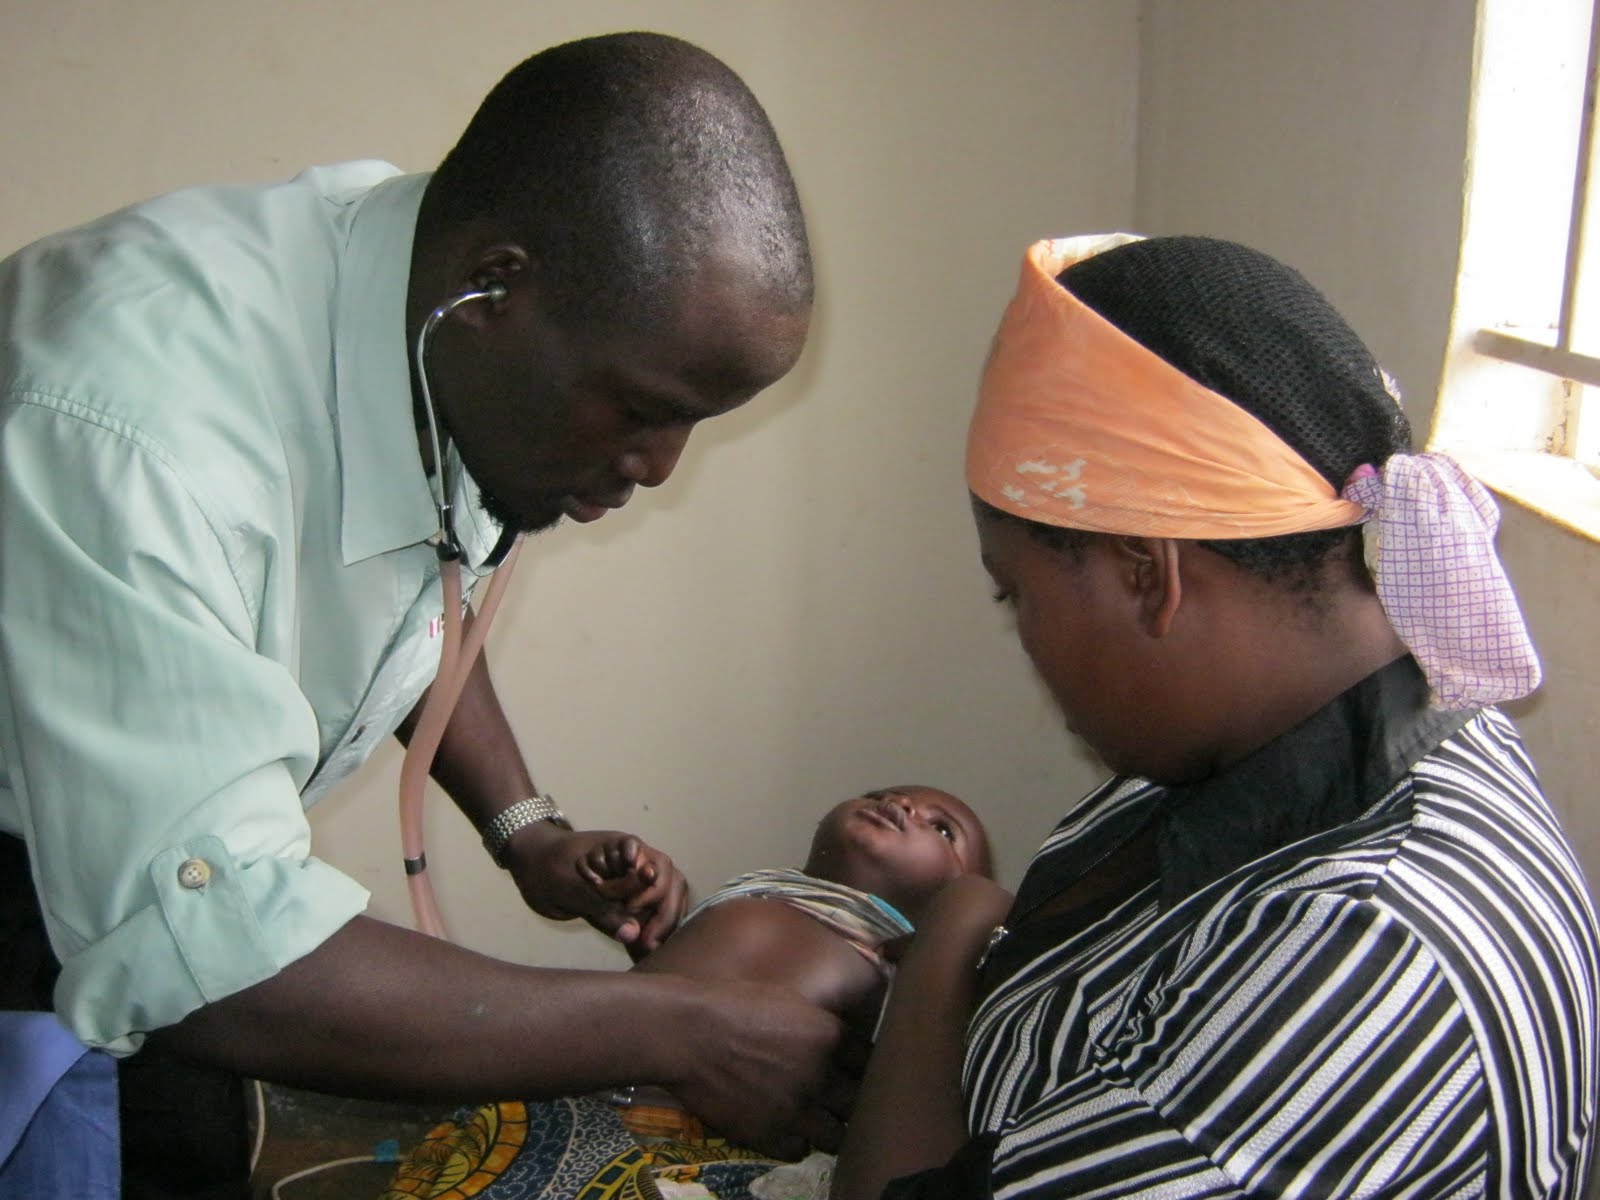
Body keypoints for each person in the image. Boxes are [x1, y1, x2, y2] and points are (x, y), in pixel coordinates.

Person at [0, 31, 842, 1199]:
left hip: (130, 872)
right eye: (643, 409)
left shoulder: (417, 295)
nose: (659, 468)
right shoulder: (139, 429)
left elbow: (415, 572)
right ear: (493, 288)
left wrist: (525, 831)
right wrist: (675, 1027)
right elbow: (215, 966)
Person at [833, 234, 1600, 1199]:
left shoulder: (1363, 969)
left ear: (1147, 572)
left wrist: (950, 929)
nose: (1019, 637)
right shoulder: (1293, 741)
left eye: (1013, 595)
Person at [378, 784, 992, 1200]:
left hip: (687, 1151)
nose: (905, 806)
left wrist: (935, 959)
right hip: (567, 1085)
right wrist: (636, 892)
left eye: (943, 830)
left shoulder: (897, 961)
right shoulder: (755, 891)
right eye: (888, 794)